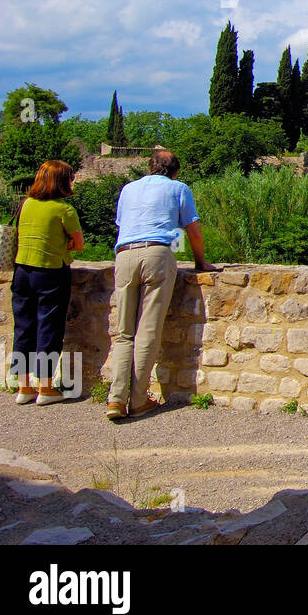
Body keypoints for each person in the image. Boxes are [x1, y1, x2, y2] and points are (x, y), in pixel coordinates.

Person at [105, 149, 218, 421]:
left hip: (123, 254)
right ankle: (139, 400)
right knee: (147, 329)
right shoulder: (179, 189)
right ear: (175, 171)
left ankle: (116, 400)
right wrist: (201, 262)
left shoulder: (128, 189)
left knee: (123, 331)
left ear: (149, 167)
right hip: (156, 252)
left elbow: (122, 224)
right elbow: (193, 231)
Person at [10, 160, 84, 406]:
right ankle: (46, 387)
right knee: (48, 329)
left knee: (23, 328)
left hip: (21, 271)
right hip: (50, 273)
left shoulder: (26, 204)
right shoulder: (64, 210)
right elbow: (79, 243)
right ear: (63, 182)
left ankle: (24, 387)